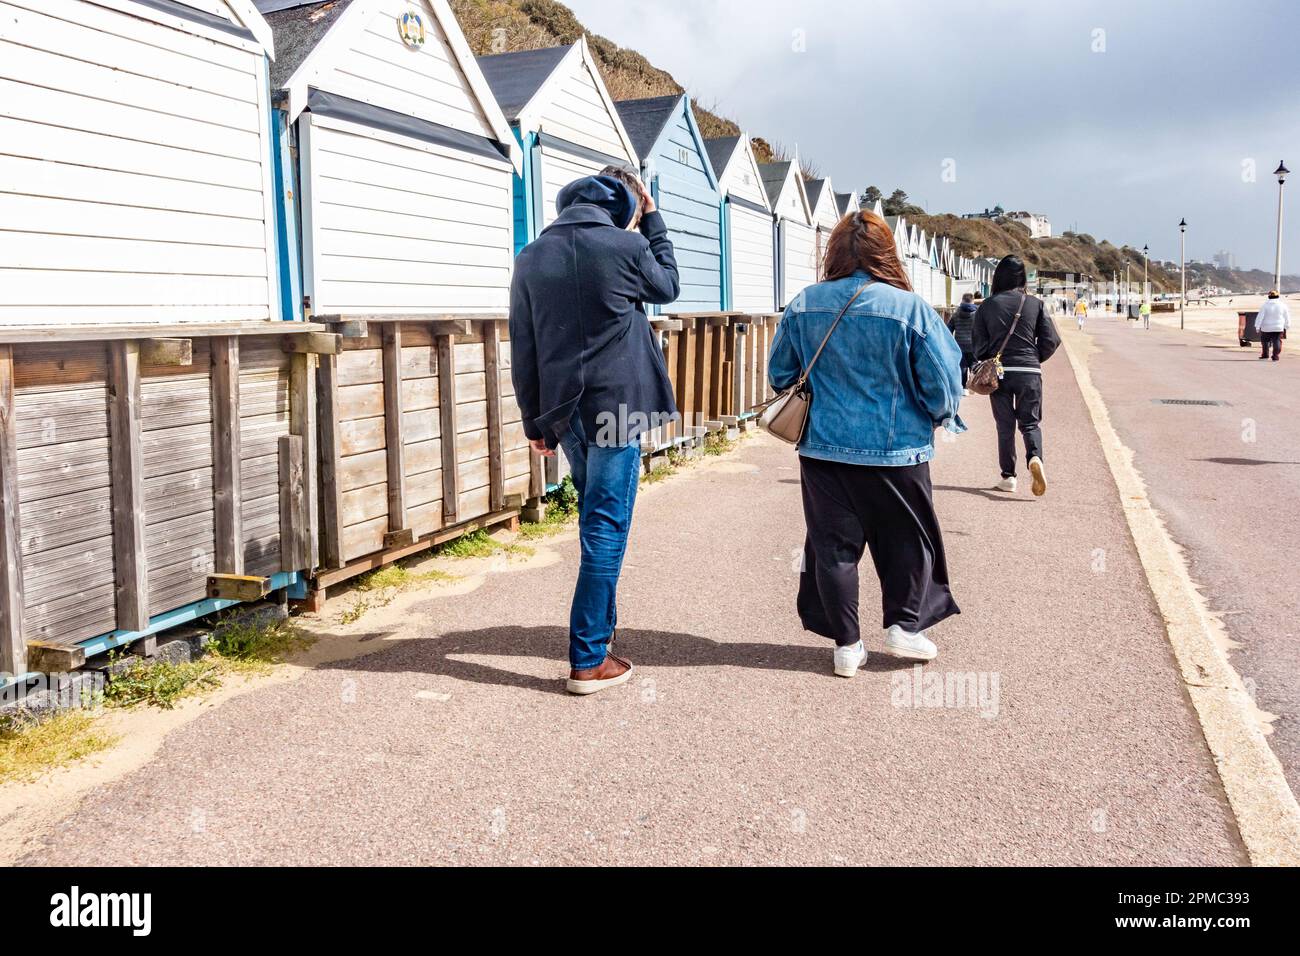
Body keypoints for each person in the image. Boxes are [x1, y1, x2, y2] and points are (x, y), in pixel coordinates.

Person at [768, 210, 964, 679]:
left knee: (832, 547)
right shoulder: (910, 308)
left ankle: (846, 645)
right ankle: (904, 626)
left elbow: (780, 374)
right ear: (887, 253)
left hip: (824, 449)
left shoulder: (805, 304)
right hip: (897, 450)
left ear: (833, 253)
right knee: (908, 542)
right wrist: (940, 416)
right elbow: (942, 384)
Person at [509, 169, 679, 695]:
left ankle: (598, 641)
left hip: (565, 411)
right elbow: (668, 285)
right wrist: (652, 220)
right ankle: (587, 659)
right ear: (624, 203)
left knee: (595, 516)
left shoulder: (532, 256)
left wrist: (534, 421)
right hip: (618, 408)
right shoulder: (626, 246)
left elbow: (524, 345)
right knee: (605, 525)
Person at [974, 255, 1061, 497]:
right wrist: (1033, 359)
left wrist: (989, 358)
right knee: (1030, 423)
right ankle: (1035, 457)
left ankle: (1008, 477)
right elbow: (1051, 340)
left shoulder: (988, 305)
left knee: (1005, 425)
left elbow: (978, 345)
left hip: (999, 372)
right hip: (1029, 371)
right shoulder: (1035, 304)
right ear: (1022, 278)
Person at [950, 292, 978, 393]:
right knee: (974, 365)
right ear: (972, 300)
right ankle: (972, 386)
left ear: (962, 300)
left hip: (959, 345)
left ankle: (963, 388)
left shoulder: (956, 314)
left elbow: (949, 329)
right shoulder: (977, 314)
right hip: (973, 345)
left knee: (962, 367)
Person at [1256, 290, 1290, 361]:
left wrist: (1257, 326)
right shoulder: (1283, 305)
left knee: (1265, 341)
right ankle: (1275, 356)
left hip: (1266, 327)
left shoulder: (1265, 305)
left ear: (1269, 296)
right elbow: (1287, 316)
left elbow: (1260, 317)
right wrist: (1287, 325)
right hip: (1278, 327)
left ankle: (1265, 356)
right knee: (1277, 341)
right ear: (1278, 296)